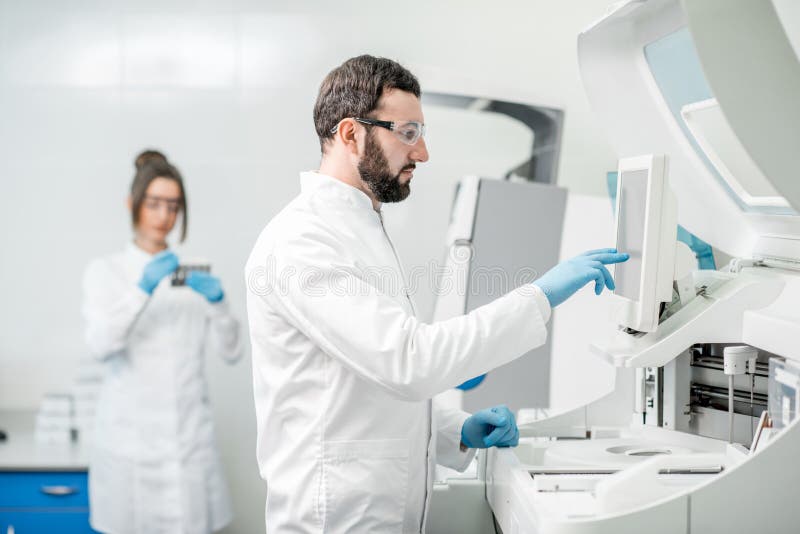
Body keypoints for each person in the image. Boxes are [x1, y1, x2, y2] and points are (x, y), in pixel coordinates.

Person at [244, 55, 628, 533]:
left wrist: (453, 431)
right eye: (407, 133)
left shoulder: (360, 226)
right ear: (350, 134)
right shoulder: (303, 242)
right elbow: (409, 362)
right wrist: (541, 295)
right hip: (335, 519)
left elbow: (368, 386)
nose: (422, 152)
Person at [82, 151, 241, 534]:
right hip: (129, 451)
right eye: (153, 204)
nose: (163, 216)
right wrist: (141, 290)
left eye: (173, 206)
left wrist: (221, 305)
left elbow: (233, 352)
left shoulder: (194, 274)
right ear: (132, 205)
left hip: (189, 447)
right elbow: (101, 344)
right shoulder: (106, 272)